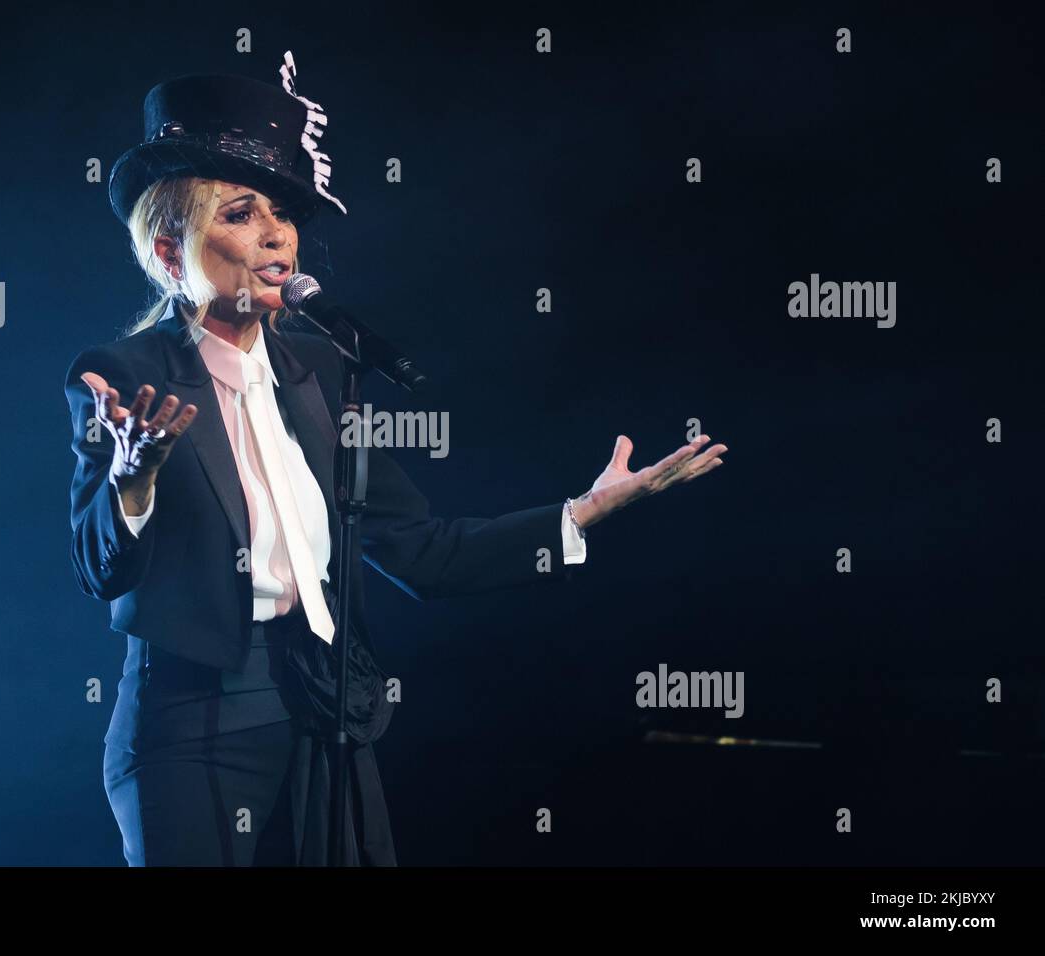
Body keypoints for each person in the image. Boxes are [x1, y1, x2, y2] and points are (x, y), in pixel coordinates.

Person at [64, 52, 728, 866]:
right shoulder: (125, 378)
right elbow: (99, 569)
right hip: (193, 719)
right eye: (240, 213)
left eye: (282, 213)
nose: (276, 234)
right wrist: (133, 480)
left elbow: (422, 551)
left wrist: (583, 514)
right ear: (171, 255)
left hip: (325, 700)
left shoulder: (321, 371)